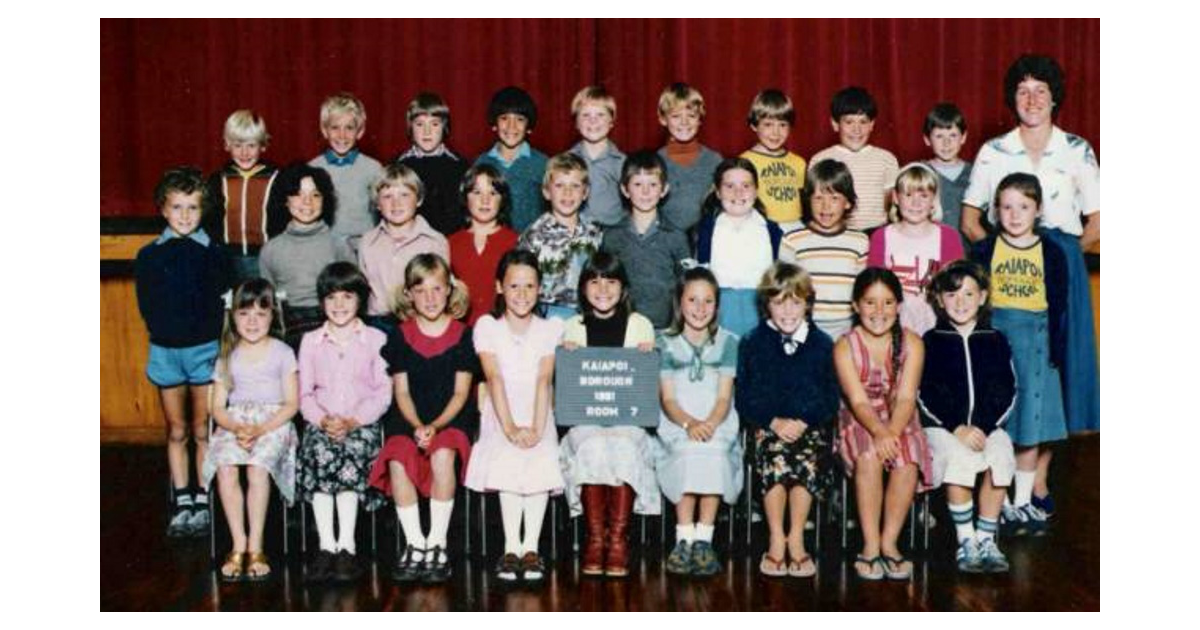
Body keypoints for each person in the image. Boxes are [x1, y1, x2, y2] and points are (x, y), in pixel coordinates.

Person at [961, 55, 1100, 519]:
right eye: (1023, 91)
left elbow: (1098, 221)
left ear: (1055, 97)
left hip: (1060, 264)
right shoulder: (993, 151)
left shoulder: (1077, 149)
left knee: (1054, 369)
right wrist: (1002, 256)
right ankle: (1005, 483)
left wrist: (1055, 261)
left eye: (1042, 90)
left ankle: (1038, 476)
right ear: (1012, 99)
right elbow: (969, 219)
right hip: (1007, 274)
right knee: (1008, 370)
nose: (1033, 99)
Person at [369, 254, 477, 584]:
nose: (429, 298)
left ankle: (437, 543)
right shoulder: (400, 335)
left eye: (436, 289)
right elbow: (401, 392)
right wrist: (417, 426)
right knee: (399, 458)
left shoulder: (463, 334)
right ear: (409, 295)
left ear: (449, 291)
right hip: (409, 416)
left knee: (444, 455)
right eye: (421, 290)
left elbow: (461, 394)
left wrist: (436, 426)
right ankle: (415, 543)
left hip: (450, 416)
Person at [970, 173, 1068, 536]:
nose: (1014, 215)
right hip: (996, 341)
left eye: (1023, 207)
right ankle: (1002, 501)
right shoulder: (984, 250)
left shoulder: (1051, 252)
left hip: (1036, 343)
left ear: (1038, 210)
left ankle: (1023, 499)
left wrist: (1054, 351)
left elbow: (1058, 306)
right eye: (1007, 207)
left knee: (1030, 424)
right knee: (1000, 424)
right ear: (996, 211)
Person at [135, 166, 229, 538]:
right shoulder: (149, 256)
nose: (185, 216)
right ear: (163, 210)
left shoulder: (215, 254)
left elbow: (220, 306)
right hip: (166, 351)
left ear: (203, 210)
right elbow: (147, 305)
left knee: (202, 429)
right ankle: (183, 498)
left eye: (192, 207)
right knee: (176, 430)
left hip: (203, 350)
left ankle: (204, 497)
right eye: (177, 207)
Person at [464, 249, 565, 584]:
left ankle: (531, 548)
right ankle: (511, 547)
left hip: (537, 407)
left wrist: (536, 429)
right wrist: (509, 429)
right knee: (508, 455)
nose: (521, 295)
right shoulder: (487, 326)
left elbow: (543, 379)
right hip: (500, 408)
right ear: (499, 288)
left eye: (529, 286)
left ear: (539, 289)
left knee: (540, 453)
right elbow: (494, 378)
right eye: (514, 286)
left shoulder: (551, 328)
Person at [559, 253, 660, 578]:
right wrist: (568, 360)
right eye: (594, 280)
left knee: (623, 446)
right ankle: (595, 537)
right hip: (585, 418)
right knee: (592, 445)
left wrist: (647, 360)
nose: (603, 288)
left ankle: (617, 540)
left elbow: (645, 387)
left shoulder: (641, 325)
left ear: (624, 287)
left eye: (611, 281)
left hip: (627, 419)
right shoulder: (571, 328)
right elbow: (570, 389)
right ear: (583, 288)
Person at [736, 263, 838, 578]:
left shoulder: (822, 343)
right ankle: (776, 537)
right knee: (776, 459)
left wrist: (804, 421)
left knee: (806, 461)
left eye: (795, 302)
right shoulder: (753, 341)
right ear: (767, 304)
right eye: (779, 302)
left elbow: (829, 396)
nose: (788, 311)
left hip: (810, 427)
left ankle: (796, 536)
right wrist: (773, 421)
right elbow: (746, 395)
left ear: (808, 303)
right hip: (769, 426)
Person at [918, 260, 1017, 573]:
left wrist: (985, 428)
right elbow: (925, 392)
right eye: (951, 295)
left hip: (987, 427)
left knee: (1001, 454)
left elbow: (1008, 389)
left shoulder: (995, 339)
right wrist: (957, 427)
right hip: (944, 427)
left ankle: (987, 538)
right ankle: (967, 540)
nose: (960, 302)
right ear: (939, 299)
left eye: (968, 294)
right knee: (957, 457)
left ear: (983, 297)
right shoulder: (931, 341)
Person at [834, 268, 932, 581]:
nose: (879, 312)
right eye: (870, 303)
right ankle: (870, 544)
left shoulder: (913, 343)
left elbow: (905, 398)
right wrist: (879, 432)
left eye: (888, 303)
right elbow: (858, 400)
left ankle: (890, 541)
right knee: (869, 456)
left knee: (907, 458)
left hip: (899, 415)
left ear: (899, 306)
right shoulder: (845, 346)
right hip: (860, 416)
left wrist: (892, 432)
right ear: (855, 306)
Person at [296, 262, 390, 584]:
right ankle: (326, 546)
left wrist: (354, 421)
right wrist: (322, 420)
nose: (339, 306)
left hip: (360, 425)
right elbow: (304, 394)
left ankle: (347, 546)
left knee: (349, 453)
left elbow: (382, 393)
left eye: (347, 297)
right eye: (332, 298)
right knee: (322, 452)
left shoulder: (376, 339)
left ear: (360, 300)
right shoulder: (310, 341)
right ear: (322, 302)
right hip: (321, 423)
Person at [201, 279, 299, 582]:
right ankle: (238, 542)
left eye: (261, 313)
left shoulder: (282, 352)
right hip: (235, 422)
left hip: (273, 421)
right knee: (227, 467)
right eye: (244, 314)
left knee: (257, 468)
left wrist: (260, 428)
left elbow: (292, 403)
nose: (252, 321)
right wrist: (237, 426)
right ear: (233, 316)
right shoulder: (227, 355)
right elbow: (217, 407)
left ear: (273, 315)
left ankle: (256, 545)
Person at [656, 268, 743, 576]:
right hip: (677, 419)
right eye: (692, 299)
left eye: (708, 301)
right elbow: (667, 399)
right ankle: (684, 537)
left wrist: (708, 424)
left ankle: (704, 538)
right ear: (680, 302)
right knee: (688, 453)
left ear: (717, 306)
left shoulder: (729, 342)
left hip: (716, 419)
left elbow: (723, 398)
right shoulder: (664, 343)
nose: (700, 308)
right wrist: (689, 424)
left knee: (714, 452)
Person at [259, 163, 353, 350]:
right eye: (298, 194)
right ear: (285, 200)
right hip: (290, 329)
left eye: (315, 195)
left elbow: (353, 295)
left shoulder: (338, 245)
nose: (307, 202)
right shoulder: (271, 249)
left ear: (325, 200)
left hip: (333, 325)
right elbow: (269, 303)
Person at [868, 163, 964, 335]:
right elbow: (875, 289)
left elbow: (955, 290)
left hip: (936, 327)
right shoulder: (881, 236)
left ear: (934, 200)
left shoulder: (948, 237)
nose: (916, 203)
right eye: (908, 194)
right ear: (896, 198)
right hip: (891, 328)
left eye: (924, 195)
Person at [778, 159, 869, 340]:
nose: (826, 206)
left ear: (848, 203)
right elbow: (785, 289)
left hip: (847, 326)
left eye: (835, 198)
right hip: (803, 326)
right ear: (807, 200)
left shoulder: (860, 241)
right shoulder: (792, 240)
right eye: (818, 198)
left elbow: (862, 290)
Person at [601, 150, 691, 330]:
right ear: (625, 189)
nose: (645, 191)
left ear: (664, 189)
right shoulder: (612, 236)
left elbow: (686, 286)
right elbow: (604, 284)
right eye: (637, 184)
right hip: (623, 328)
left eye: (652, 184)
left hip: (666, 329)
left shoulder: (676, 236)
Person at [694, 157, 784, 337]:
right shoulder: (704, 231)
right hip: (718, 317)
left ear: (756, 190)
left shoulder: (773, 232)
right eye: (729, 187)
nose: (738, 193)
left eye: (746, 186)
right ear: (718, 192)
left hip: (760, 315)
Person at [358, 163, 449, 330]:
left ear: (419, 199)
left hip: (420, 321)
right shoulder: (367, 242)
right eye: (387, 196)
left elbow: (441, 289)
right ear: (377, 203)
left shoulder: (435, 241)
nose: (396, 203)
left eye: (404, 195)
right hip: (377, 323)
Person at [518, 152, 604, 320]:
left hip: (588, 313)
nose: (567, 193)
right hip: (546, 313)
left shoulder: (595, 232)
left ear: (585, 193)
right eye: (559, 186)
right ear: (546, 192)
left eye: (575, 186)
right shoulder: (533, 235)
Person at [810, 87, 899, 234]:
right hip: (837, 232)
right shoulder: (820, 159)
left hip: (876, 232)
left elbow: (891, 205)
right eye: (849, 122)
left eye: (863, 122)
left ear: (872, 125)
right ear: (835, 124)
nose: (856, 129)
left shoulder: (886, 159)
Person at [204, 109, 278, 283]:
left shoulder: (276, 178)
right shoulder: (218, 179)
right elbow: (210, 221)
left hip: (265, 259)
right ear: (227, 145)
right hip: (227, 260)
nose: (244, 153)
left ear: (263, 145)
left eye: (251, 145)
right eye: (237, 145)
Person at [308, 92, 385, 249]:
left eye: (349, 128)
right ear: (324, 130)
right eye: (335, 127)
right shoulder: (313, 168)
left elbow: (381, 212)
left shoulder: (374, 168)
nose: (342, 135)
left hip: (363, 247)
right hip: (325, 247)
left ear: (360, 131)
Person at [448, 164, 519, 326]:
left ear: (502, 199)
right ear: (465, 198)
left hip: (502, 330)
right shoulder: (450, 243)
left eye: (493, 193)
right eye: (477, 192)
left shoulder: (516, 242)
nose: (485, 200)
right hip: (460, 331)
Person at [474, 86, 549, 233]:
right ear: (494, 124)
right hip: (494, 243)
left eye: (519, 119)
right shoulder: (481, 163)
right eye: (504, 118)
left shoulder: (543, 163)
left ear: (529, 127)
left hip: (532, 246)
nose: (511, 126)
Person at [396, 92, 469, 236]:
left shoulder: (459, 165)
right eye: (420, 124)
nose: (427, 131)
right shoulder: (399, 166)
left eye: (434, 124)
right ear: (410, 127)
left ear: (444, 126)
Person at [656, 82, 723, 234]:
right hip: (666, 242)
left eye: (691, 116)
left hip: (705, 239)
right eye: (676, 116)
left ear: (700, 119)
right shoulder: (656, 162)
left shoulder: (715, 161)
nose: (684, 122)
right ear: (663, 119)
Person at [740, 89, 806, 231]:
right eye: (768, 124)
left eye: (782, 125)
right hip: (761, 227)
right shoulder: (745, 161)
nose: (776, 132)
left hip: (795, 227)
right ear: (754, 125)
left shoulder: (799, 162)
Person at [568, 85, 626, 228]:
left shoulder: (622, 162)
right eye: (586, 115)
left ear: (611, 121)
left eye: (600, 115)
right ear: (576, 123)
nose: (593, 121)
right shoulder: (566, 161)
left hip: (612, 232)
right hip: (576, 233)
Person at [922, 103, 973, 246]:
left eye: (953, 135)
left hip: (966, 255)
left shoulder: (976, 173)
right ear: (927, 139)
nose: (946, 143)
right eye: (939, 136)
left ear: (963, 137)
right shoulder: (920, 172)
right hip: (930, 252)